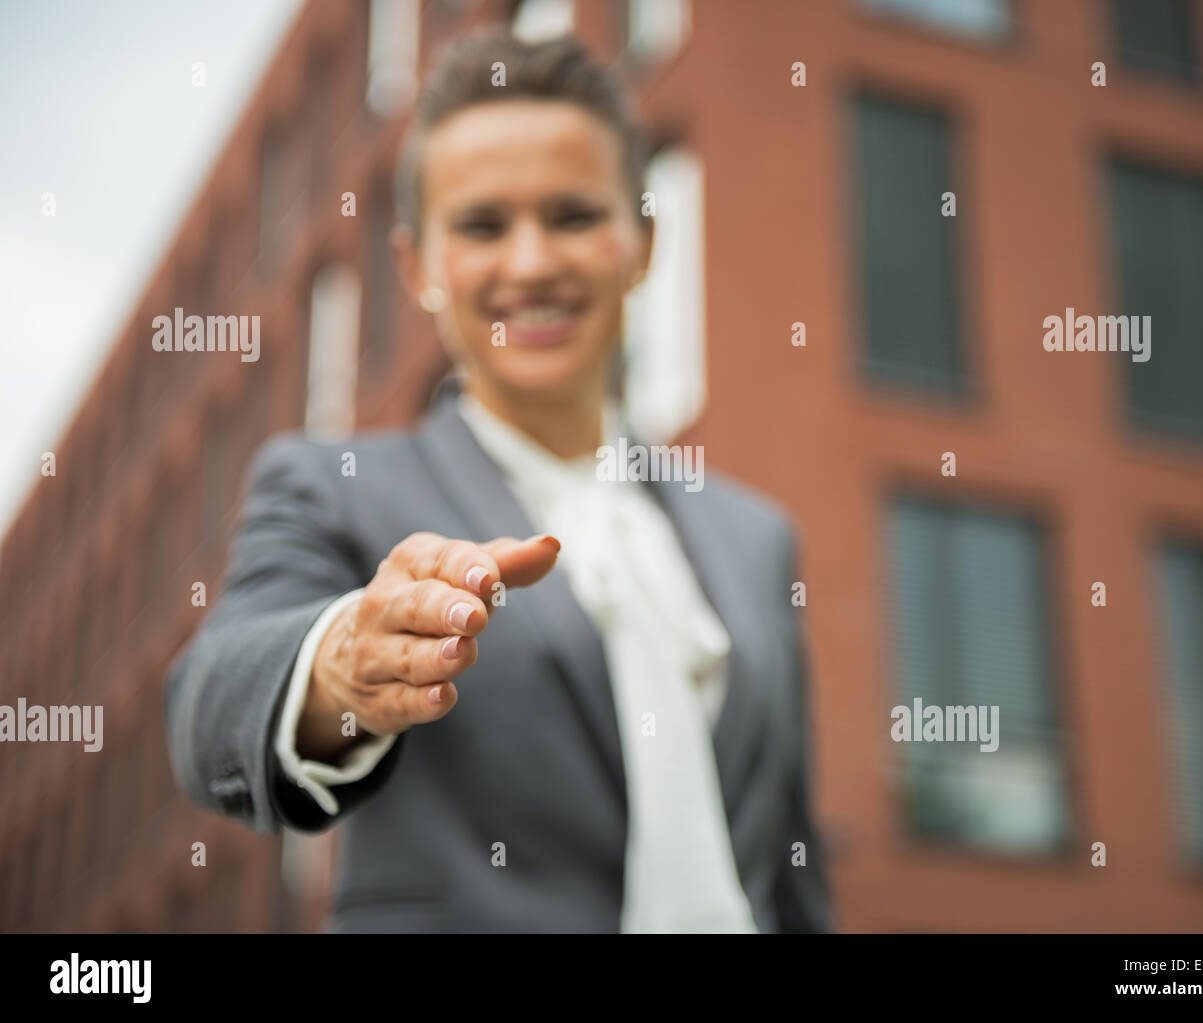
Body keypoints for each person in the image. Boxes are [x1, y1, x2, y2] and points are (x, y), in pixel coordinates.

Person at [164, 26, 832, 934]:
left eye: (573, 215)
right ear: (418, 266)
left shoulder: (756, 538)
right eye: (482, 225)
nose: (530, 263)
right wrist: (341, 662)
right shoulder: (333, 486)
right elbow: (208, 708)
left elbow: (793, 866)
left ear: (642, 240)